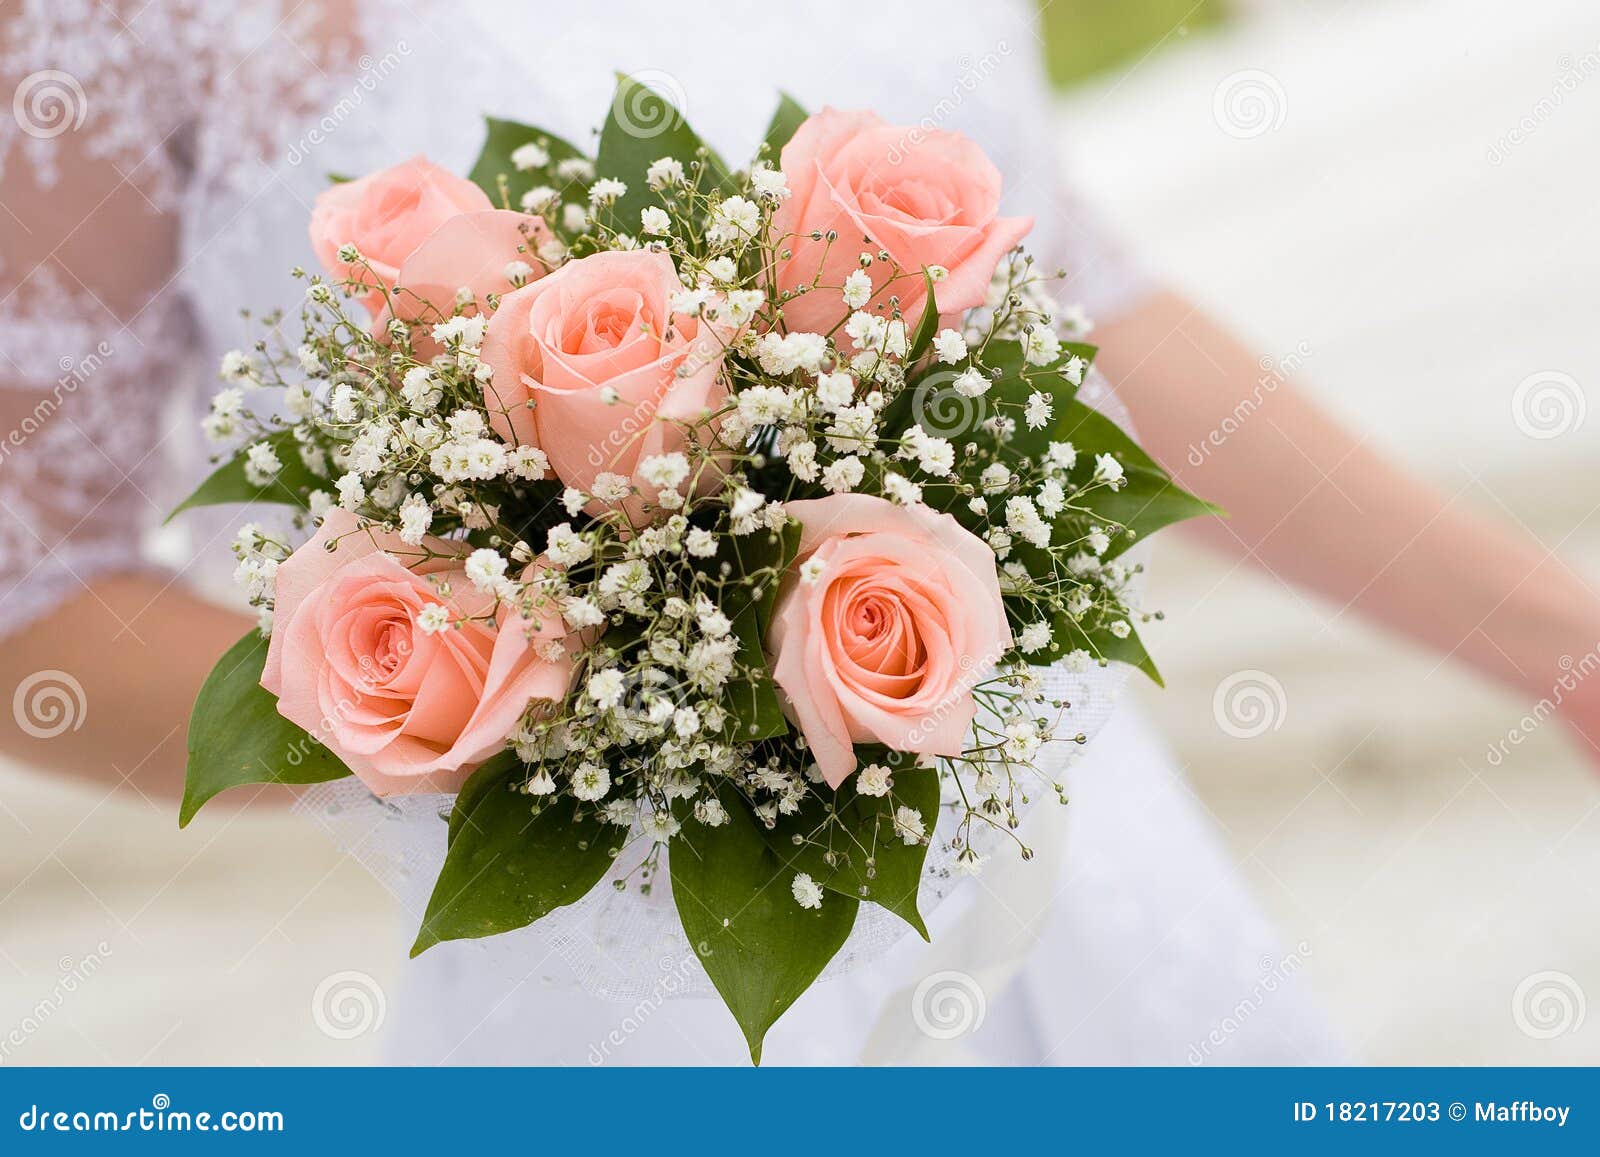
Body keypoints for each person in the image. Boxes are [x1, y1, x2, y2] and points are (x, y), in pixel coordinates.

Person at [1, 0, 1593, 1062]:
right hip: (628, 1013)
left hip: (1104, 894)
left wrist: (1557, 641)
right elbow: (35, 594)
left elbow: (1075, 302)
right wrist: (524, 704)